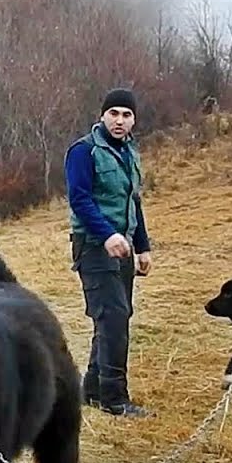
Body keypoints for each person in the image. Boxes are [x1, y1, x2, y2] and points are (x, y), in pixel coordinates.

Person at [64, 87, 153, 418]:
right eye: (113, 113)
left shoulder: (130, 153)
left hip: (124, 246)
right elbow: (80, 199)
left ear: (133, 120)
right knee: (113, 318)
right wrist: (107, 235)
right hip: (93, 245)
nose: (119, 120)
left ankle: (93, 389)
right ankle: (115, 399)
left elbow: (134, 200)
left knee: (116, 315)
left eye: (126, 114)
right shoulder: (83, 151)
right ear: (102, 116)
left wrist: (142, 246)